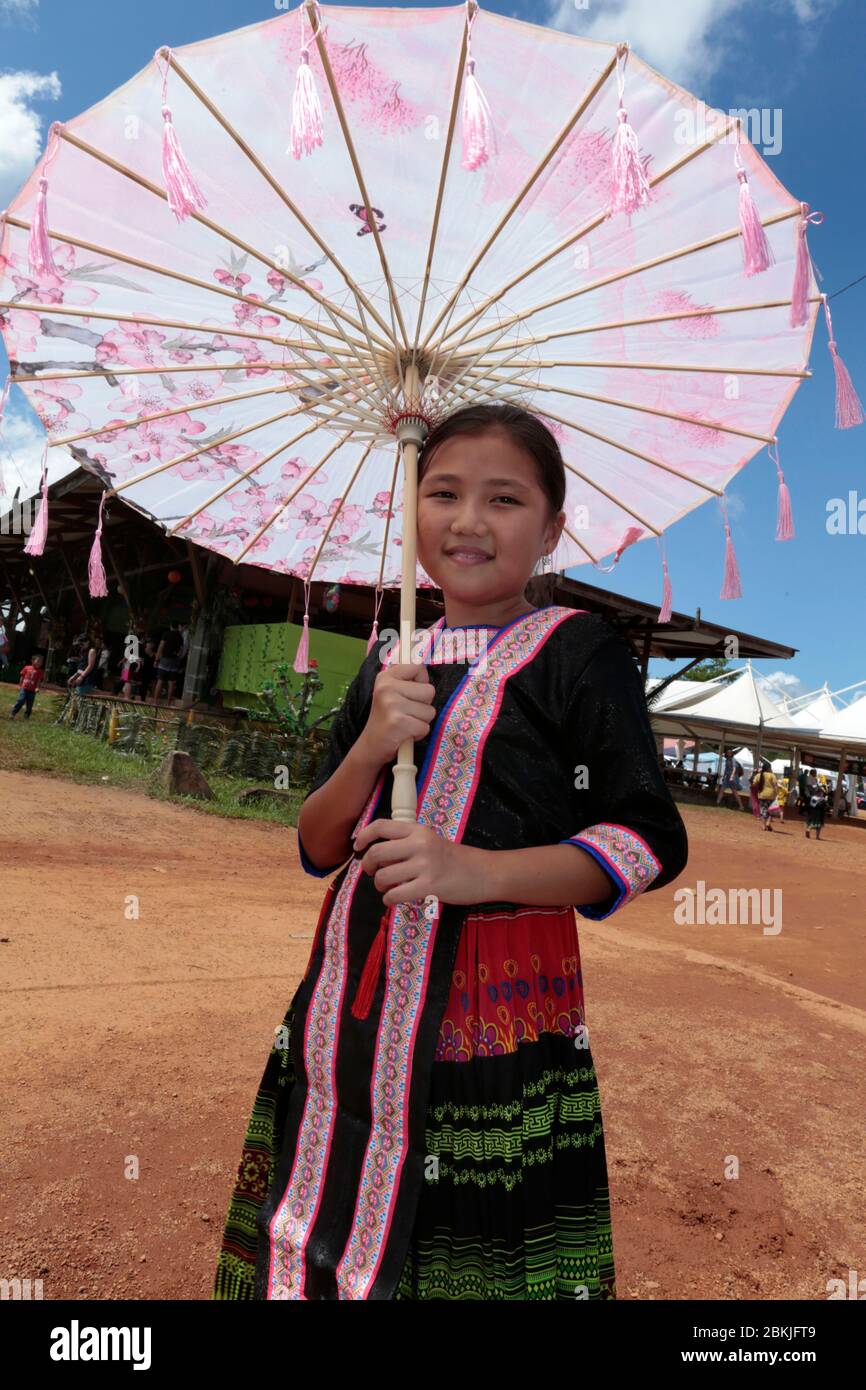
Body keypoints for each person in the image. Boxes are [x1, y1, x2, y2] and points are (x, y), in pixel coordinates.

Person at [213, 402, 689, 1302]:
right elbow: (318, 845)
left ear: (550, 528)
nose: (469, 520)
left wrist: (474, 871)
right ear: (411, 515)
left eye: (504, 499)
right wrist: (367, 744)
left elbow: (647, 837)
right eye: (443, 492)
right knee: (318, 1205)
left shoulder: (580, 653)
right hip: (346, 989)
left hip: (491, 1002)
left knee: (469, 1240)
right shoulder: (390, 659)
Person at [153, 620, 184, 704]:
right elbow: (181, 651)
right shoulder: (180, 637)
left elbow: (161, 646)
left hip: (164, 659)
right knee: (171, 682)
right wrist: (178, 660)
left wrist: (156, 659)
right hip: (174, 661)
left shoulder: (166, 634)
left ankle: (155, 701)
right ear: (178, 627)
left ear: (171, 626)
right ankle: (168, 702)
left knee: (160, 680)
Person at [67, 628, 104, 695]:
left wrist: (82, 677)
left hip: (87, 678)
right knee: (76, 695)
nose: (80, 646)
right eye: (79, 645)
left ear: (88, 642)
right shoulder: (83, 651)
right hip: (81, 676)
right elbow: (82, 666)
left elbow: (90, 666)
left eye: (82, 644)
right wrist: (75, 676)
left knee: (81, 696)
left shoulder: (91, 651)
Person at [9, 653, 44, 719]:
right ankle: (13, 713)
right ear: (33, 661)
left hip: (32, 691)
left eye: (41, 662)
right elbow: (22, 676)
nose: (39, 663)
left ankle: (26, 716)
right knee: (20, 701)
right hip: (24, 688)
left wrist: (37, 687)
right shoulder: (27, 667)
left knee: (29, 705)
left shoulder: (40, 671)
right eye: (38, 661)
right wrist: (20, 685)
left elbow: (39, 681)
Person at [751, 760, 779, 831]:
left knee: (763, 810)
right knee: (771, 810)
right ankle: (768, 823)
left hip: (762, 795)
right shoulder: (772, 775)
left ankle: (763, 826)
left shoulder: (759, 775)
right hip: (771, 795)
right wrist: (777, 794)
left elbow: (754, 784)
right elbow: (775, 785)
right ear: (769, 768)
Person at [804, 768, 827, 840]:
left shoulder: (813, 798)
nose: (816, 773)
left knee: (811, 822)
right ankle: (817, 836)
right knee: (818, 824)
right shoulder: (822, 799)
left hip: (812, 809)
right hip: (819, 814)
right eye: (815, 772)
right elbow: (809, 786)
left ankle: (808, 829)